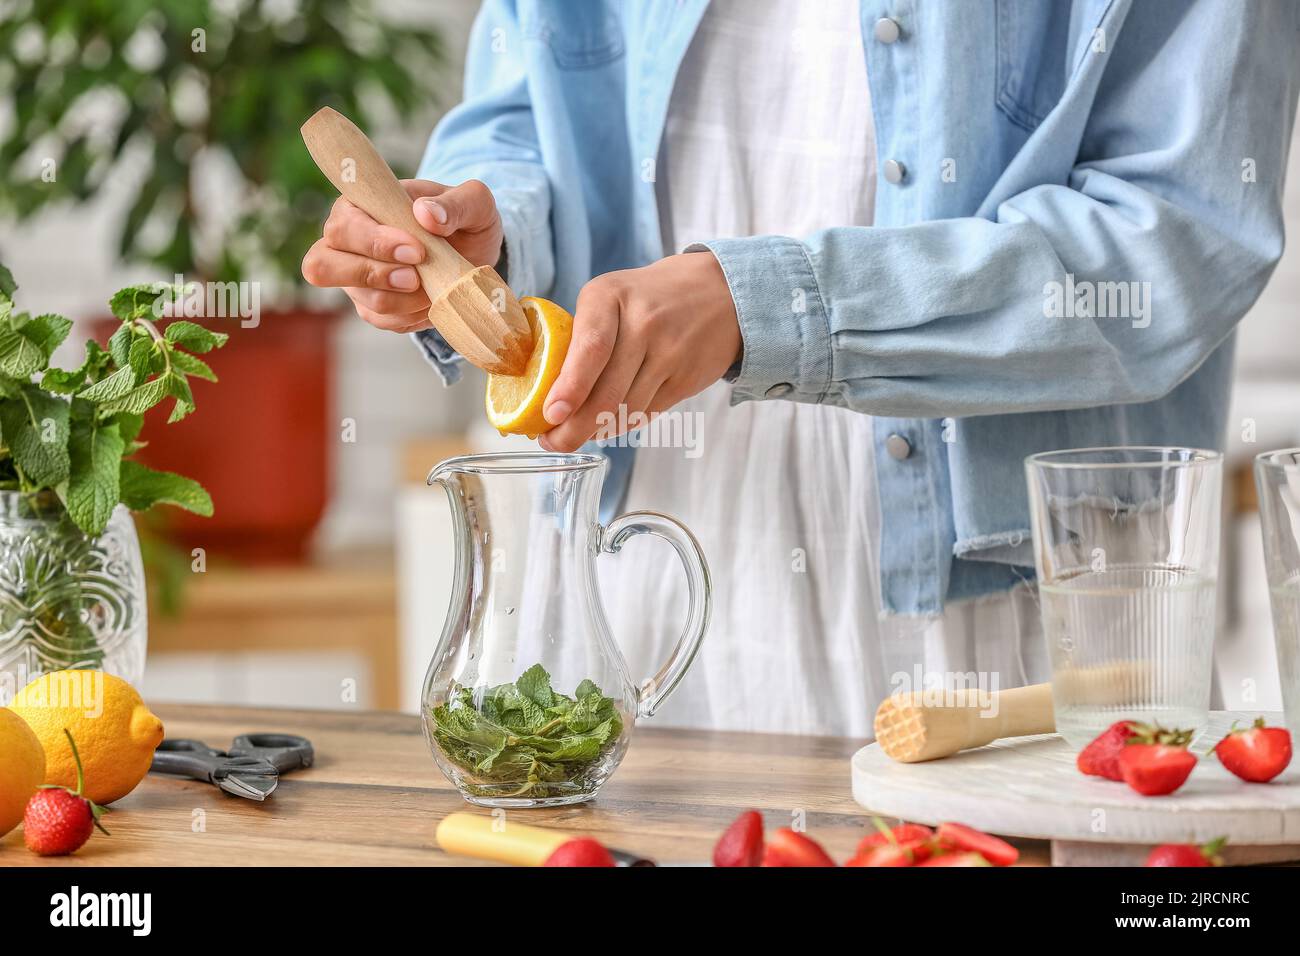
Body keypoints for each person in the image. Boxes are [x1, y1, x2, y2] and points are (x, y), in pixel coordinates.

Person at [303, 1, 1300, 736]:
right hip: (635, 595)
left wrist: (764, 305)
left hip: (997, 634)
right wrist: (492, 231)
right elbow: (529, 94)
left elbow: (1176, 240)